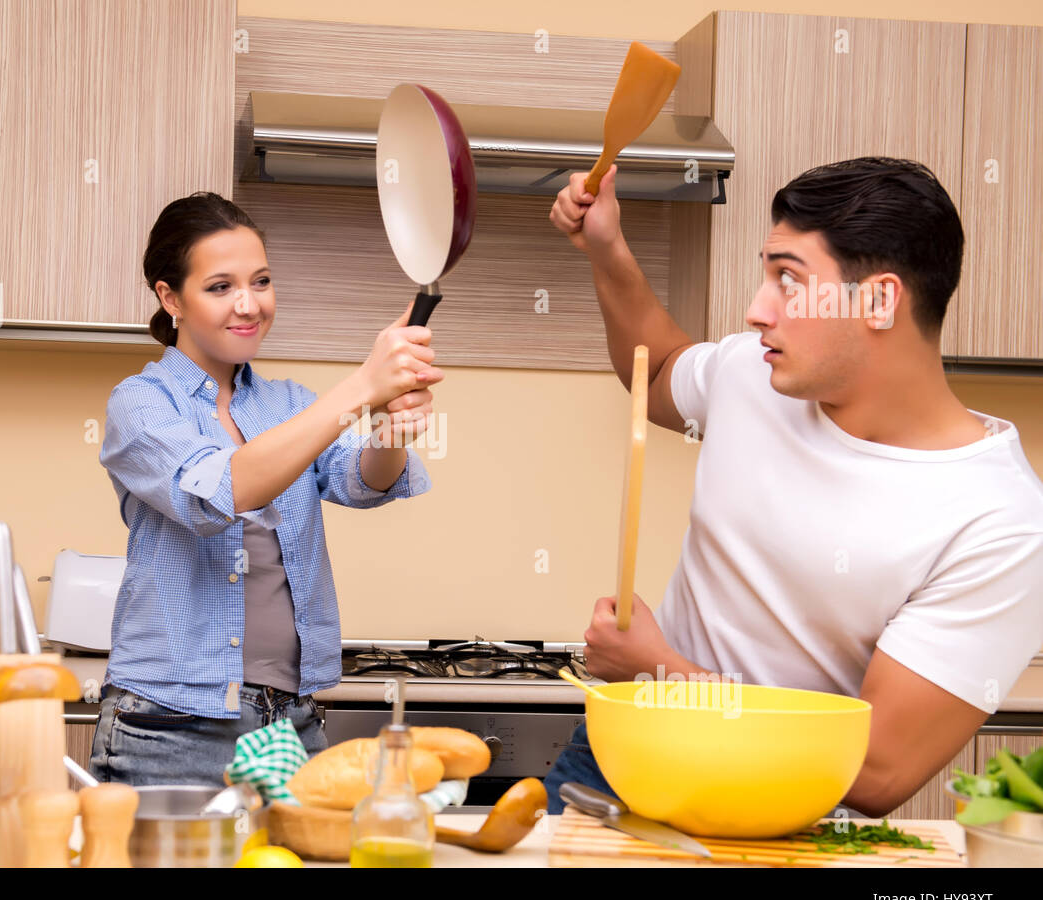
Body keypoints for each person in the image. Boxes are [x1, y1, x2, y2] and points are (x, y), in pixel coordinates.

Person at [543, 157, 1043, 815]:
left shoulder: (999, 521)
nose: (756, 311)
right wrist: (607, 249)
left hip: (776, 815)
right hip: (613, 765)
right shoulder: (753, 374)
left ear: (879, 300)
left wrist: (660, 673)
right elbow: (660, 368)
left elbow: (877, 771)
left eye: (788, 279)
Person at [88, 192, 440, 787]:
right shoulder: (141, 404)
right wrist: (359, 387)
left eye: (261, 281)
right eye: (220, 287)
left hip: (291, 726)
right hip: (169, 730)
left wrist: (388, 423)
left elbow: (364, 481)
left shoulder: (289, 404)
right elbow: (220, 490)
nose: (248, 304)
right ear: (170, 297)